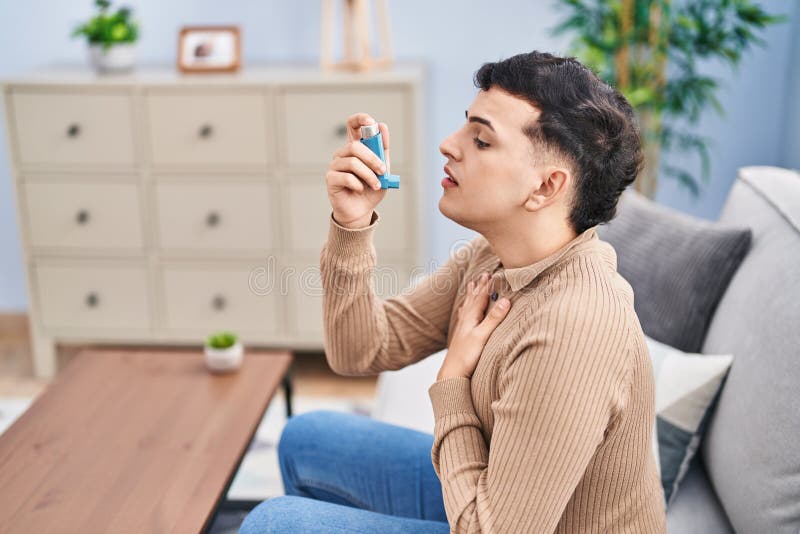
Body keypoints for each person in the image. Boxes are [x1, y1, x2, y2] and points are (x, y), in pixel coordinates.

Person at [240, 50, 667, 533]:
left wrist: (454, 381)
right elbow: (359, 350)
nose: (449, 144)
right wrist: (351, 226)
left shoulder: (574, 328)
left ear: (546, 187)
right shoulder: (493, 257)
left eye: (481, 140)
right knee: (307, 439)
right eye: (466, 126)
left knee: (275, 524)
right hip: (494, 495)